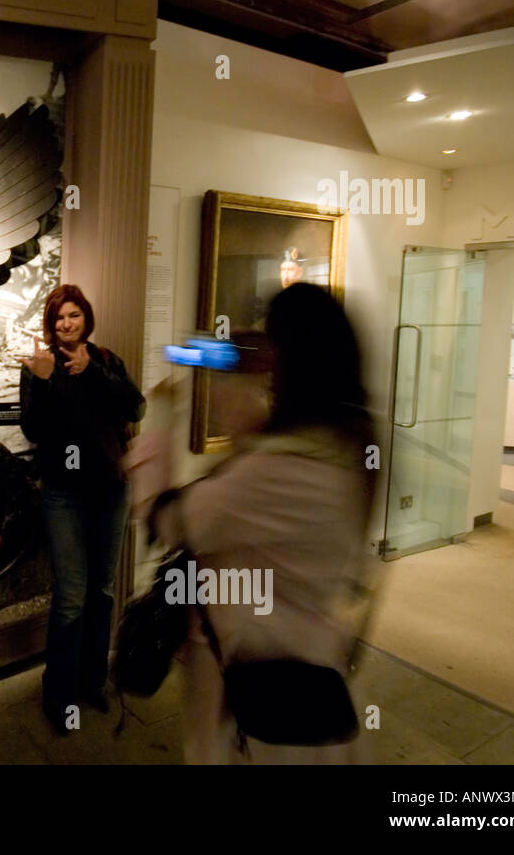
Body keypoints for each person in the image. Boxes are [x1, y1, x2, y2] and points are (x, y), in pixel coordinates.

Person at [128, 283, 377, 763]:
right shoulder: (346, 444)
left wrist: (161, 414)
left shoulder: (285, 469)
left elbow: (168, 518)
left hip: (257, 685)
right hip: (308, 654)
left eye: (272, 343)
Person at [19, 284, 144, 733]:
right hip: (63, 492)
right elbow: (35, 429)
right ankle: (59, 694)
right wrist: (47, 377)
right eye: (58, 318)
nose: (66, 324)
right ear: (50, 326)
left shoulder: (106, 361)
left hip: (110, 487)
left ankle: (93, 682)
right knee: (71, 596)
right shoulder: (41, 365)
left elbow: (136, 405)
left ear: (86, 317)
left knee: (103, 591)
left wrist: (91, 372)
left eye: (73, 315)